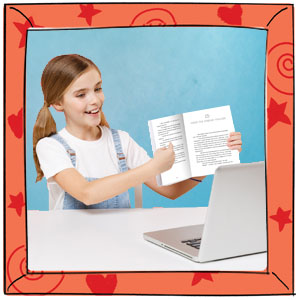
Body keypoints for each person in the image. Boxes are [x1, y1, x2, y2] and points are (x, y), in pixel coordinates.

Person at [33, 54, 242, 210]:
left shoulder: (121, 141)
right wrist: (152, 167)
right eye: (81, 94)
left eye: (97, 89)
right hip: (73, 248)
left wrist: (213, 156)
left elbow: (170, 191)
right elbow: (87, 194)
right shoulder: (50, 147)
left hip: (121, 244)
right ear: (58, 103)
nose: (95, 100)